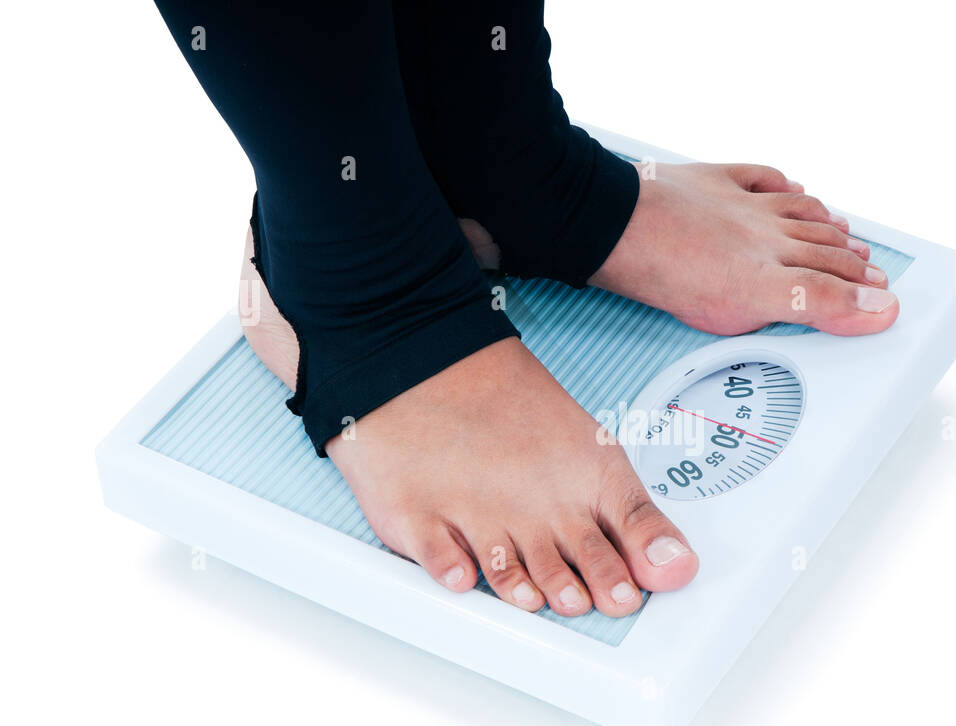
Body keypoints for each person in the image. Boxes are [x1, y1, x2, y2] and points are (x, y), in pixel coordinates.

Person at [154, 1, 899, 618]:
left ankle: (486, 154)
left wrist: (518, 159)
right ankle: (369, 283)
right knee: (358, 224)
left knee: (480, 111)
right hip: (360, 289)